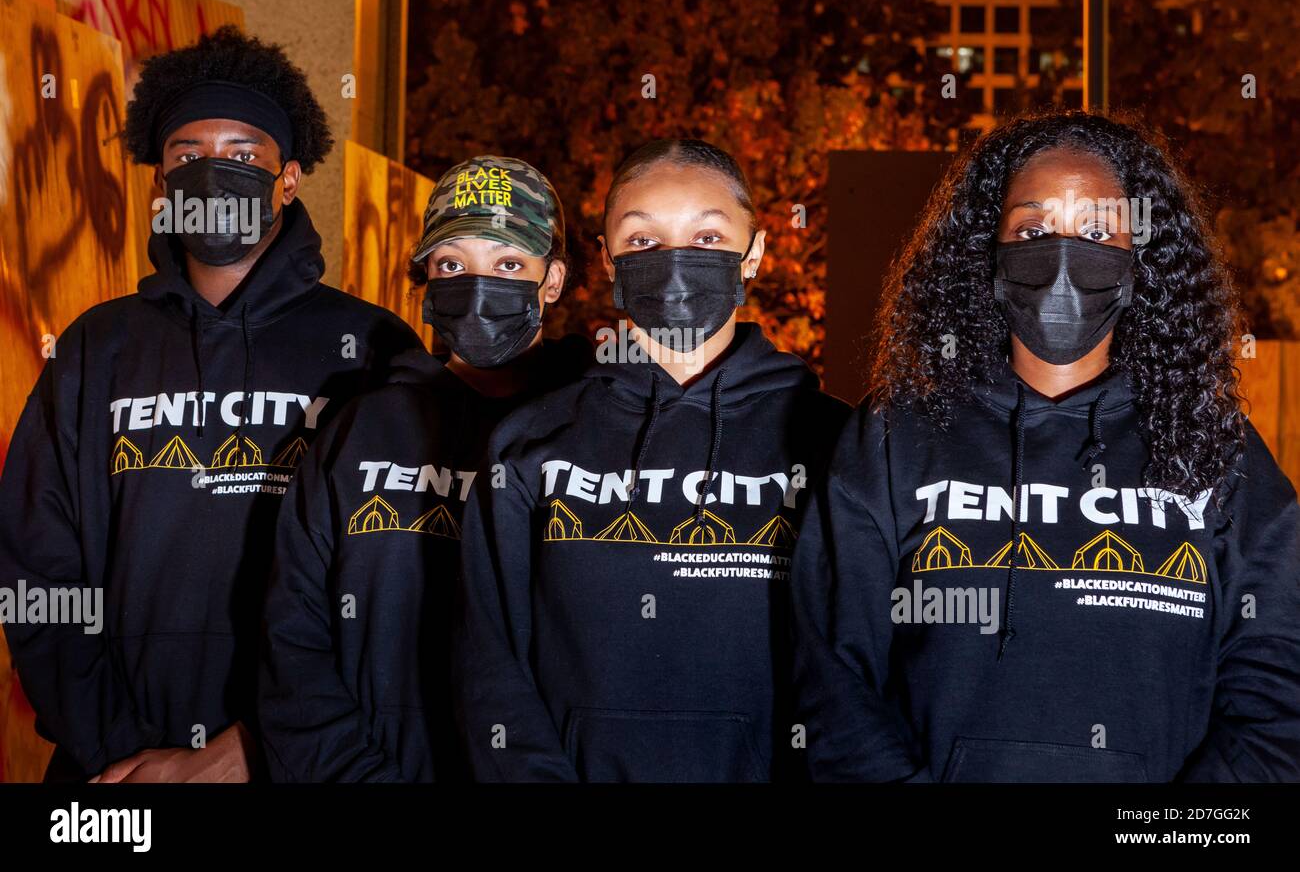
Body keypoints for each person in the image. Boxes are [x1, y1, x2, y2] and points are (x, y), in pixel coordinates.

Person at [792, 111, 1300, 782]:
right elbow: (831, 678)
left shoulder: (1219, 451)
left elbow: (1276, 696)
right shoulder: (894, 438)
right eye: (1033, 230)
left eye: (1096, 231)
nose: (1063, 255)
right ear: (989, 252)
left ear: (1140, 259)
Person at [0, 26, 422, 783]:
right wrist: (122, 752)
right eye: (187, 157)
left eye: (242, 155)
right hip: (112, 772)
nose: (212, 173)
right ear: (160, 187)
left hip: (305, 766)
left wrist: (254, 750)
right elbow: (37, 567)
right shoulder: (98, 349)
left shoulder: (372, 347)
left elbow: (398, 585)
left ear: (288, 178)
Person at [454, 138, 850, 782]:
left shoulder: (835, 441)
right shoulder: (532, 440)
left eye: (706, 236)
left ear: (753, 255)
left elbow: (856, 673)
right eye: (642, 242)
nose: (672, 263)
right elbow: (490, 664)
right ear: (608, 259)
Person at [259, 156, 589, 781]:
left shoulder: (595, 433)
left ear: (552, 281)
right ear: (426, 279)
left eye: (509, 264)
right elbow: (293, 637)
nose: (479, 283)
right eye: (452, 263)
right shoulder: (360, 430)